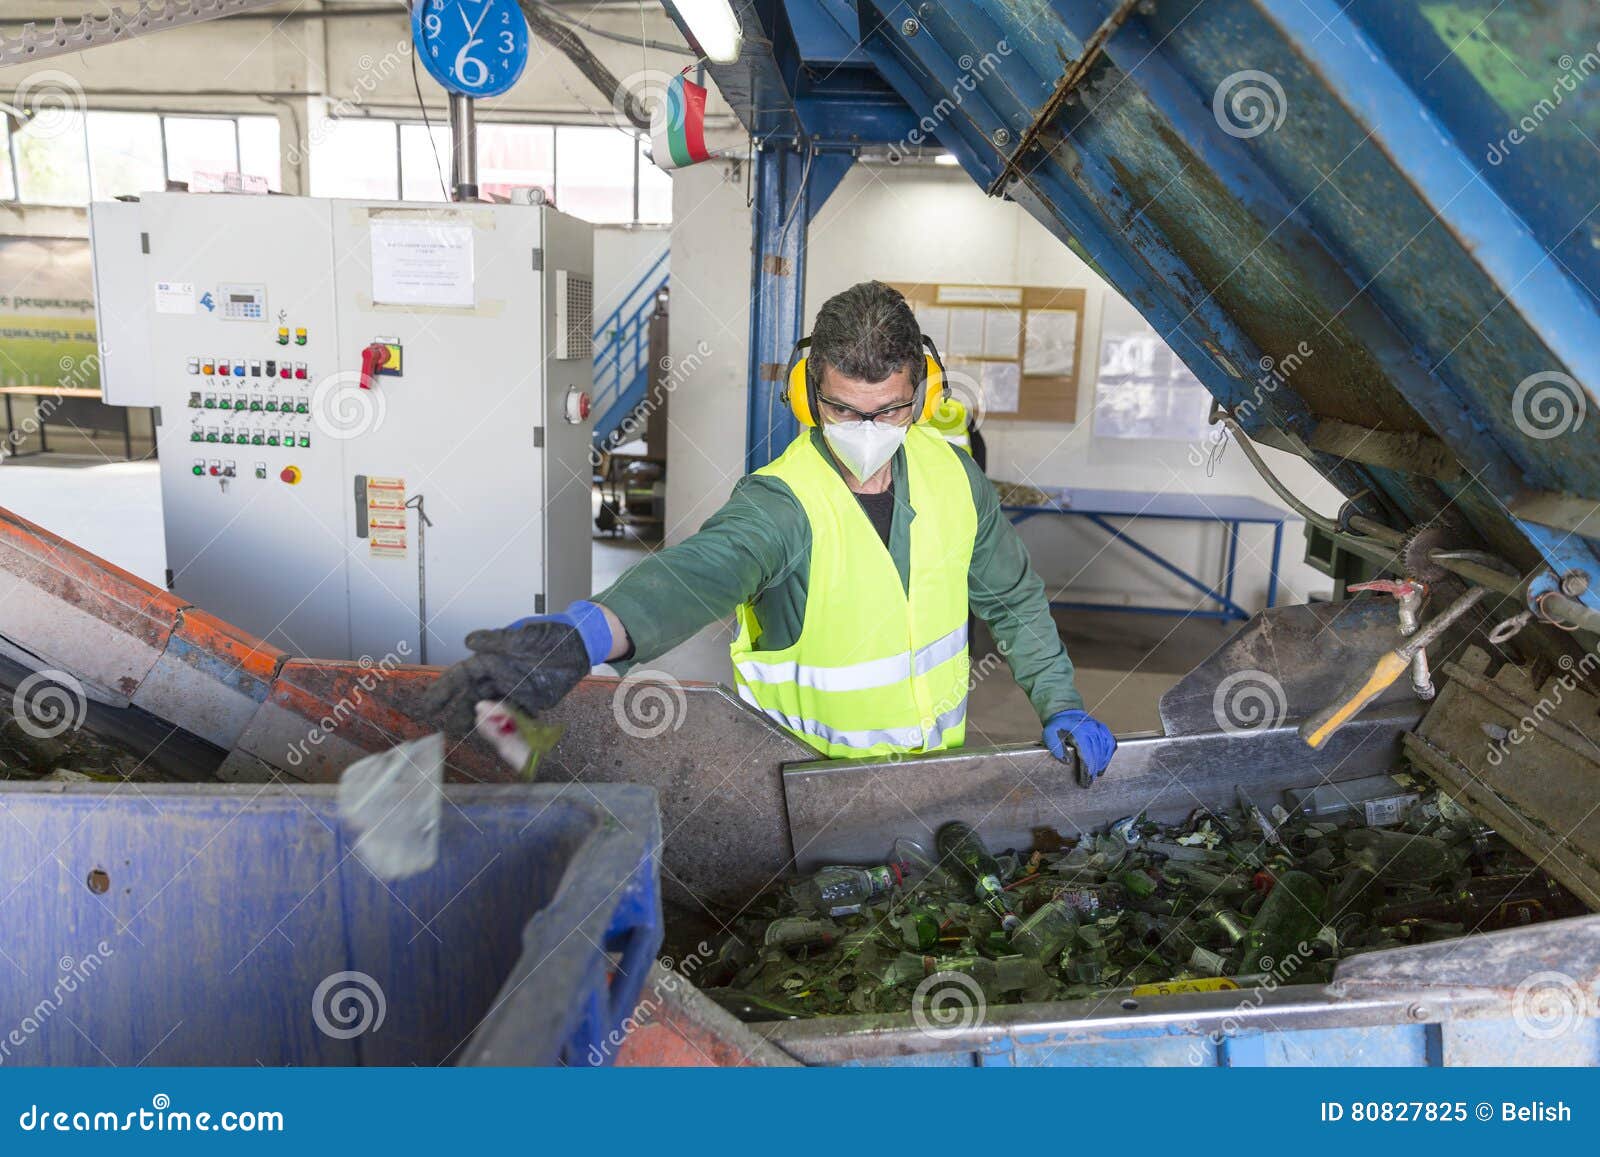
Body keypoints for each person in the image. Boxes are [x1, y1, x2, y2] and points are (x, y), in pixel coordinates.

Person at [424, 281, 1115, 777]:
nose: (869, 433)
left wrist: (1061, 703)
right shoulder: (781, 503)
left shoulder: (955, 478)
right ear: (808, 394)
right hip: (796, 785)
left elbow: (1015, 599)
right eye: (846, 411)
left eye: (892, 411)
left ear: (924, 395)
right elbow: (698, 573)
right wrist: (583, 634)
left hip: (930, 777)